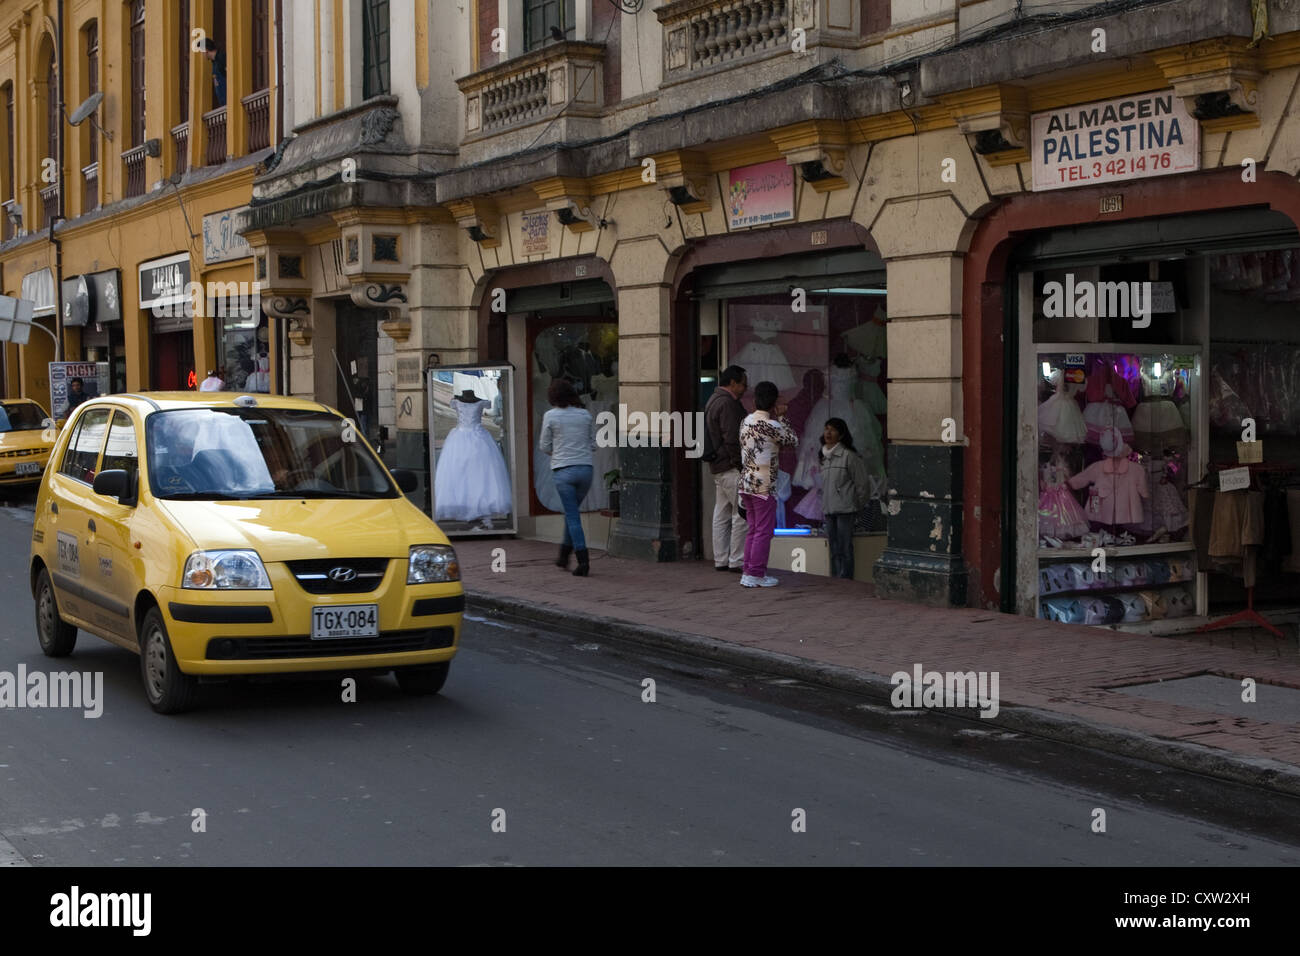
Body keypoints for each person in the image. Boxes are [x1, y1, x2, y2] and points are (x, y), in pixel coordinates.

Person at [738, 381, 797, 588]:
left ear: (755, 400)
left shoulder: (746, 422)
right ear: (774, 402)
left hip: (746, 483)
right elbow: (792, 440)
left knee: (753, 529)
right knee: (763, 530)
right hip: (764, 485)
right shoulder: (772, 426)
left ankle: (748, 570)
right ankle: (755, 573)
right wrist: (781, 415)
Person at [538, 378, 598, 576]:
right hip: (585, 470)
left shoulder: (550, 416)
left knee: (573, 517)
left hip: (563, 471)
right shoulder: (585, 415)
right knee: (571, 514)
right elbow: (593, 444)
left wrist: (559, 453)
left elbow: (544, 446)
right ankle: (563, 555)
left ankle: (583, 561)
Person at [704, 364, 748, 572]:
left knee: (721, 513)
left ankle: (721, 558)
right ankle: (736, 560)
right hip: (730, 466)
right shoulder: (728, 404)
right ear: (733, 383)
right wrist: (740, 465)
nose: (745, 388)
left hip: (718, 466)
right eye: (742, 384)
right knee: (741, 513)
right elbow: (732, 438)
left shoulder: (713, 400)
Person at [818, 417, 871, 579]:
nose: (828, 432)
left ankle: (846, 579)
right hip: (829, 509)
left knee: (845, 547)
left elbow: (862, 484)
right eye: (826, 428)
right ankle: (836, 578)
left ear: (841, 435)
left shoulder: (849, 456)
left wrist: (857, 505)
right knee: (833, 548)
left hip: (845, 509)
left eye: (832, 429)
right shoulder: (823, 457)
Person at [204, 38, 227, 108]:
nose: (202, 55)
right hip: (224, 105)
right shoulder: (214, 63)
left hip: (228, 103)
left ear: (206, 50)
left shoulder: (222, 58)